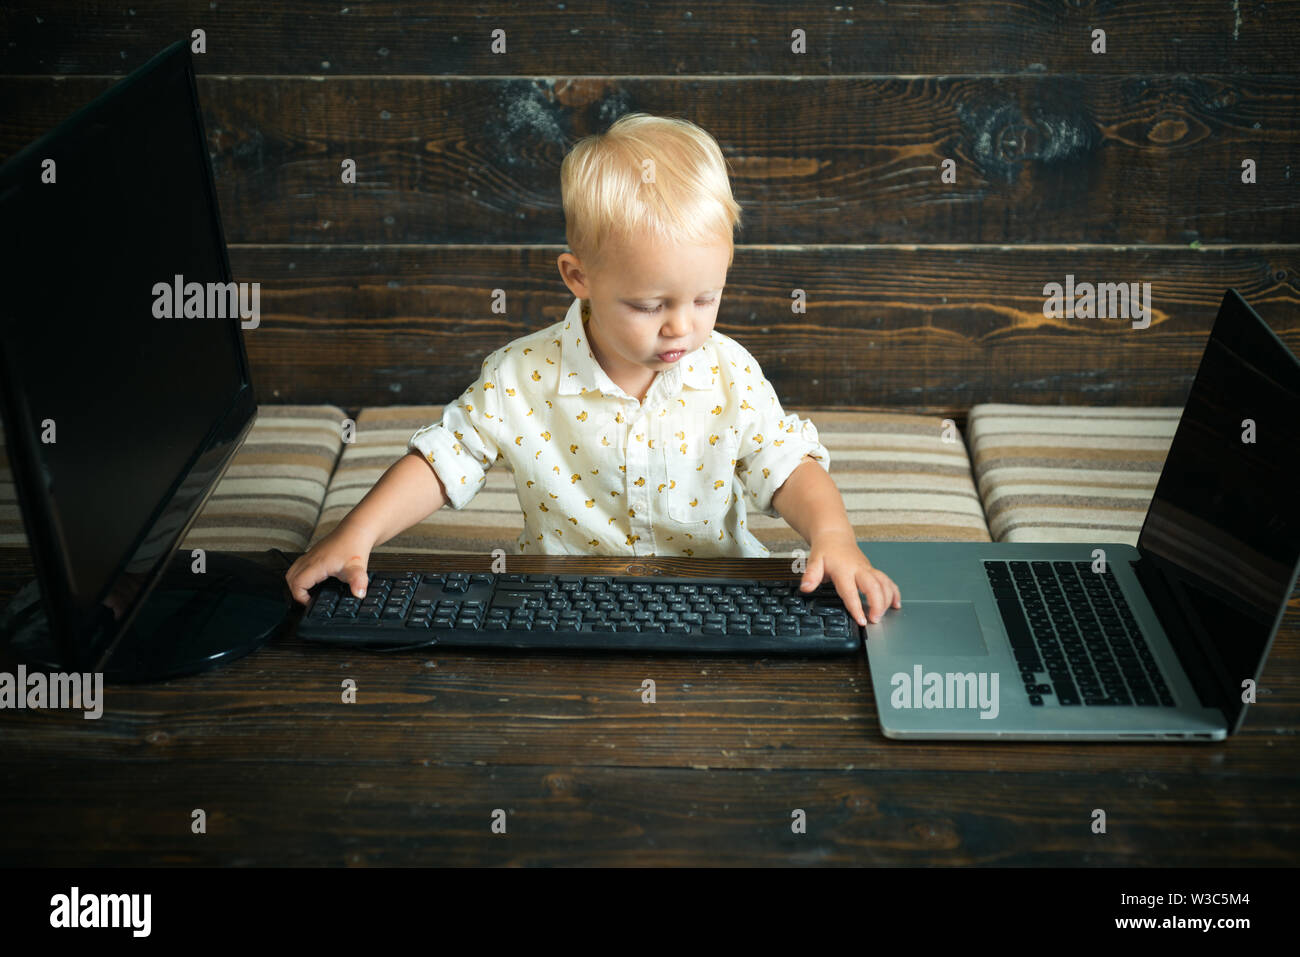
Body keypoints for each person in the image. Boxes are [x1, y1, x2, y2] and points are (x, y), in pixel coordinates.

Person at [286, 113, 900, 626]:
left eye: (706, 298)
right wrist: (356, 534)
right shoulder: (520, 375)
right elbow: (445, 459)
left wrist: (833, 536)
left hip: (719, 596)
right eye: (650, 305)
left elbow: (786, 466)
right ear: (579, 277)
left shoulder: (729, 374)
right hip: (559, 604)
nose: (680, 327)